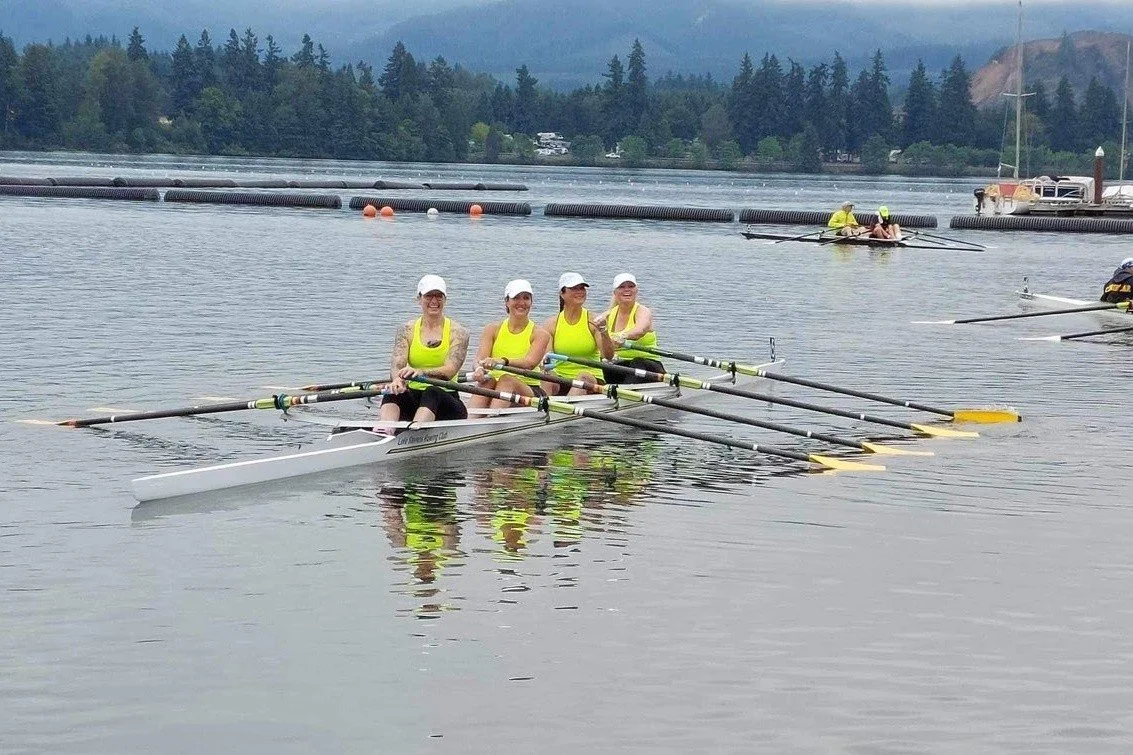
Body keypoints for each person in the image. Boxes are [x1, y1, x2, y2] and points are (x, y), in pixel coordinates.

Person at [379, 274, 470, 423]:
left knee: (432, 391)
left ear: (445, 300)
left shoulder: (459, 332)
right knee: (392, 392)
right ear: (419, 299)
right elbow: (397, 366)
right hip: (414, 398)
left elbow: (450, 371)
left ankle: (415, 433)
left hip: (446, 402)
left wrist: (421, 372)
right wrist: (396, 380)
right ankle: (384, 430)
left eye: (439, 296)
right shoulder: (406, 330)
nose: (434, 301)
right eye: (428, 296)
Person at [470, 279, 552, 409]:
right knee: (486, 381)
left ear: (531, 302)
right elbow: (480, 359)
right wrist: (479, 369)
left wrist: (503, 361)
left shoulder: (540, 334)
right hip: (496, 387)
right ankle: (471, 420)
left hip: (529, 390)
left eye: (526, 298)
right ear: (507, 301)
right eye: (516, 298)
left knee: (507, 380)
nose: (521, 303)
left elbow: (529, 364)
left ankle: (491, 422)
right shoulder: (491, 329)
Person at [541, 272, 615, 396]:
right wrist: (545, 366)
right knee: (547, 378)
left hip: (590, 380)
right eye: (574, 288)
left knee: (582, 377)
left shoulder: (593, 320)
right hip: (561, 378)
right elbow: (547, 358)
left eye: (582, 288)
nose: (580, 292)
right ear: (562, 293)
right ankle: (544, 408)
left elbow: (608, 356)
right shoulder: (551, 324)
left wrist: (604, 331)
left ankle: (562, 411)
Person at [593, 272, 666, 384]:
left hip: (649, 366)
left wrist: (623, 336)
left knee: (637, 363)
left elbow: (639, 331)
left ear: (636, 290)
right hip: (621, 365)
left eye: (631, 286)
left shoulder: (643, 311)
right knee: (600, 365)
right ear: (615, 292)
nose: (627, 290)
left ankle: (624, 392)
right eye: (622, 287)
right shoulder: (607, 316)